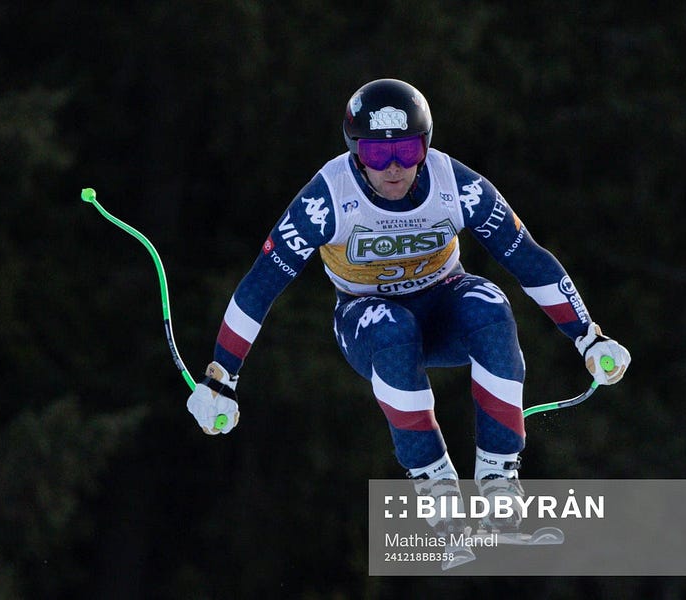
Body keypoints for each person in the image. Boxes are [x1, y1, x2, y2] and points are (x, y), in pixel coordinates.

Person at [186, 78, 630, 534]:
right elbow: (261, 285)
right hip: (367, 320)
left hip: (443, 306)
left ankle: (498, 478)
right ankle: (435, 483)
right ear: (356, 153)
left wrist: (587, 336)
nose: (394, 168)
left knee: (489, 303)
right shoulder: (327, 198)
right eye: (378, 155)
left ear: (426, 146)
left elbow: (527, 258)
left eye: (407, 150)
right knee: (393, 325)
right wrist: (221, 376)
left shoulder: (455, 184)